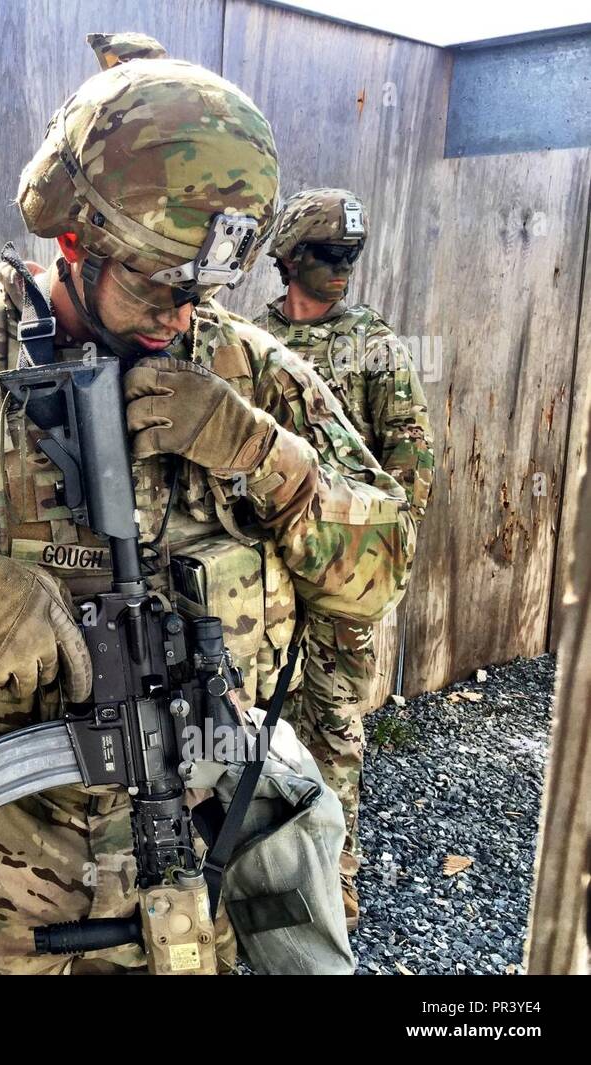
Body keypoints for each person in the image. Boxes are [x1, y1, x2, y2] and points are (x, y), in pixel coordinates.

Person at [0, 35, 415, 974]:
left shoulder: (250, 373)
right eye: (157, 283)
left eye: (204, 288)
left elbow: (381, 573)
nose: (182, 316)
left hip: (207, 881)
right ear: (76, 239)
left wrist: (266, 458)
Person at [256, 188, 435, 929]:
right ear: (290, 257)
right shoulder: (252, 339)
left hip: (340, 576)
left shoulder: (373, 345)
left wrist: (377, 563)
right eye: (329, 255)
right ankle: (264, 875)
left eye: (352, 256)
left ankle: (333, 884)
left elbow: (411, 460)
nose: (343, 270)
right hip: (266, 572)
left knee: (332, 726)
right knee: (256, 723)